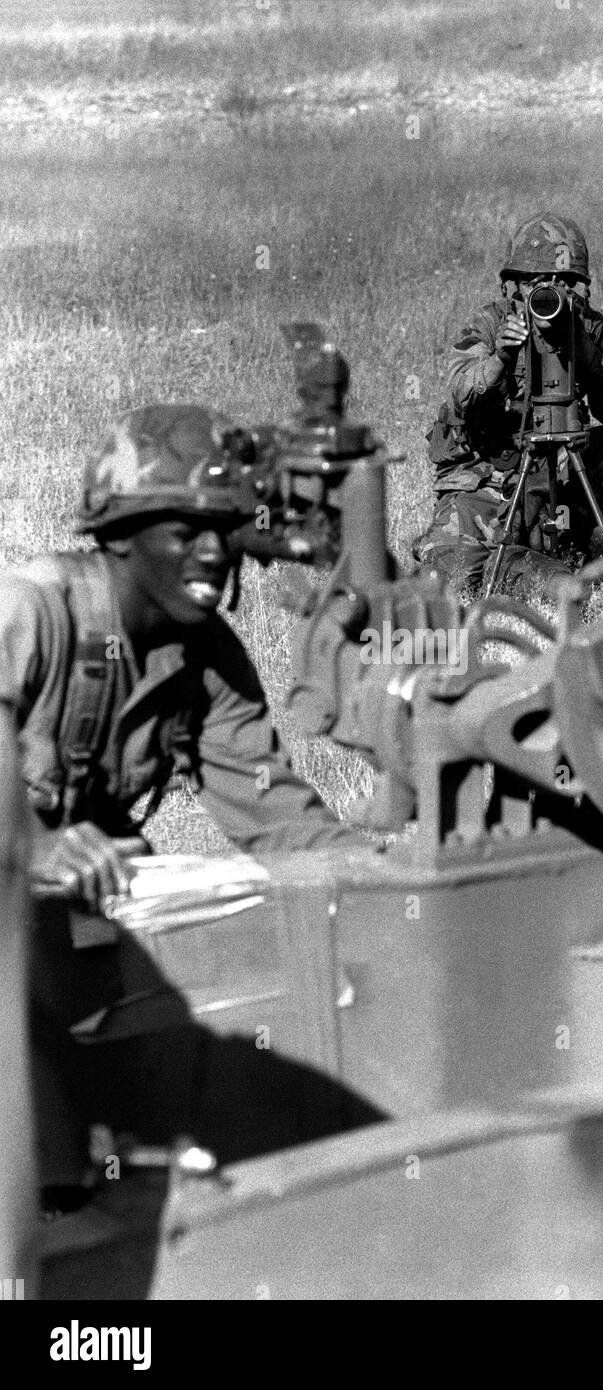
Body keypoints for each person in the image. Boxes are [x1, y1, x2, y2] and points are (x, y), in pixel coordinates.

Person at [0, 404, 380, 1214]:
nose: (212, 551)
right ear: (122, 538)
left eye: (223, 528)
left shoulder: (203, 658)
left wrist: (383, 881)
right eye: (183, 531)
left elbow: (280, 820)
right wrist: (32, 842)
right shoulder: (32, 610)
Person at [413, 212, 603, 597]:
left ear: (578, 286)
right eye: (534, 282)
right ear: (513, 286)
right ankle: (533, 563)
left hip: (560, 467)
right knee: (452, 572)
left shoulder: (592, 328)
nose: (548, 293)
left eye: (561, 282)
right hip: (492, 476)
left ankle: (571, 541)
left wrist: (586, 351)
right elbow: (459, 393)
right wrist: (500, 359)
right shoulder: (492, 323)